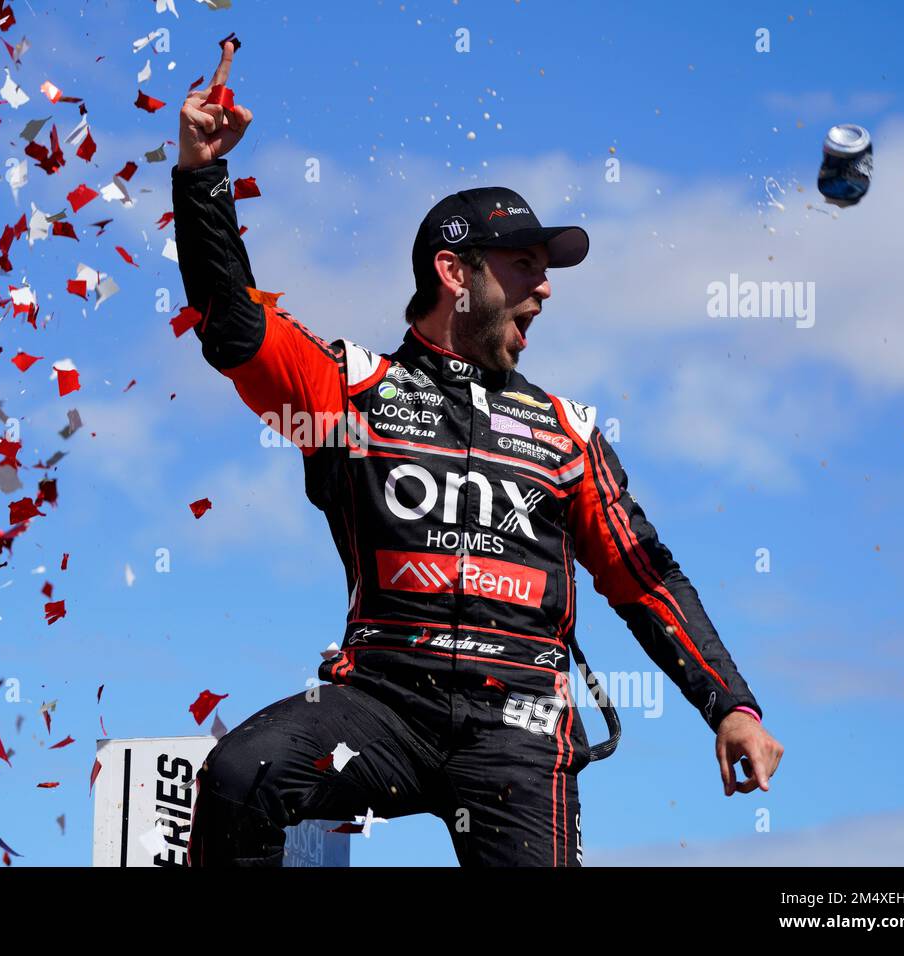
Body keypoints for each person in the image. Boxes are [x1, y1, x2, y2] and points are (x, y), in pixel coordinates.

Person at [171, 40, 783, 867]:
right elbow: (234, 327)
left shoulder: (567, 431)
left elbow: (646, 576)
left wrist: (731, 708)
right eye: (525, 264)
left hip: (521, 728)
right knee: (242, 775)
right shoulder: (350, 391)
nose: (547, 286)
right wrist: (202, 174)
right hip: (380, 706)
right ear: (454, 272)